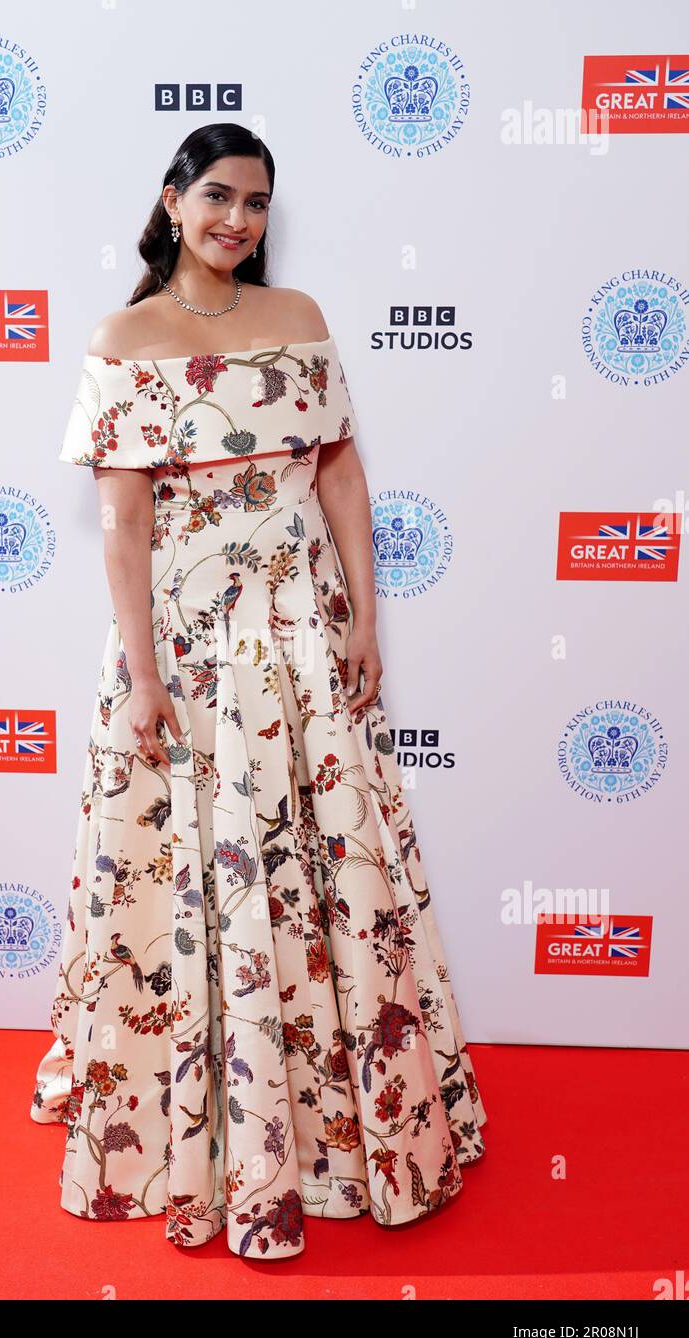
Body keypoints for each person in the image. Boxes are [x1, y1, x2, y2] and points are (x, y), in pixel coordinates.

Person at [30, 121, 486, 1261]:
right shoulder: (123, 338)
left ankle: (339, 1122)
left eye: (258, 203)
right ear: (173, 199)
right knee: (192, 874)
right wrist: (141, 678)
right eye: (220, 196)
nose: (239, 220)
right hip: (185, 650)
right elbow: (126, 526)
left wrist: (367, 618)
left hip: (305, 642)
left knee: (330, 871)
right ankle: (211, 1133)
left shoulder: (302, 322)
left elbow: (340, 474)